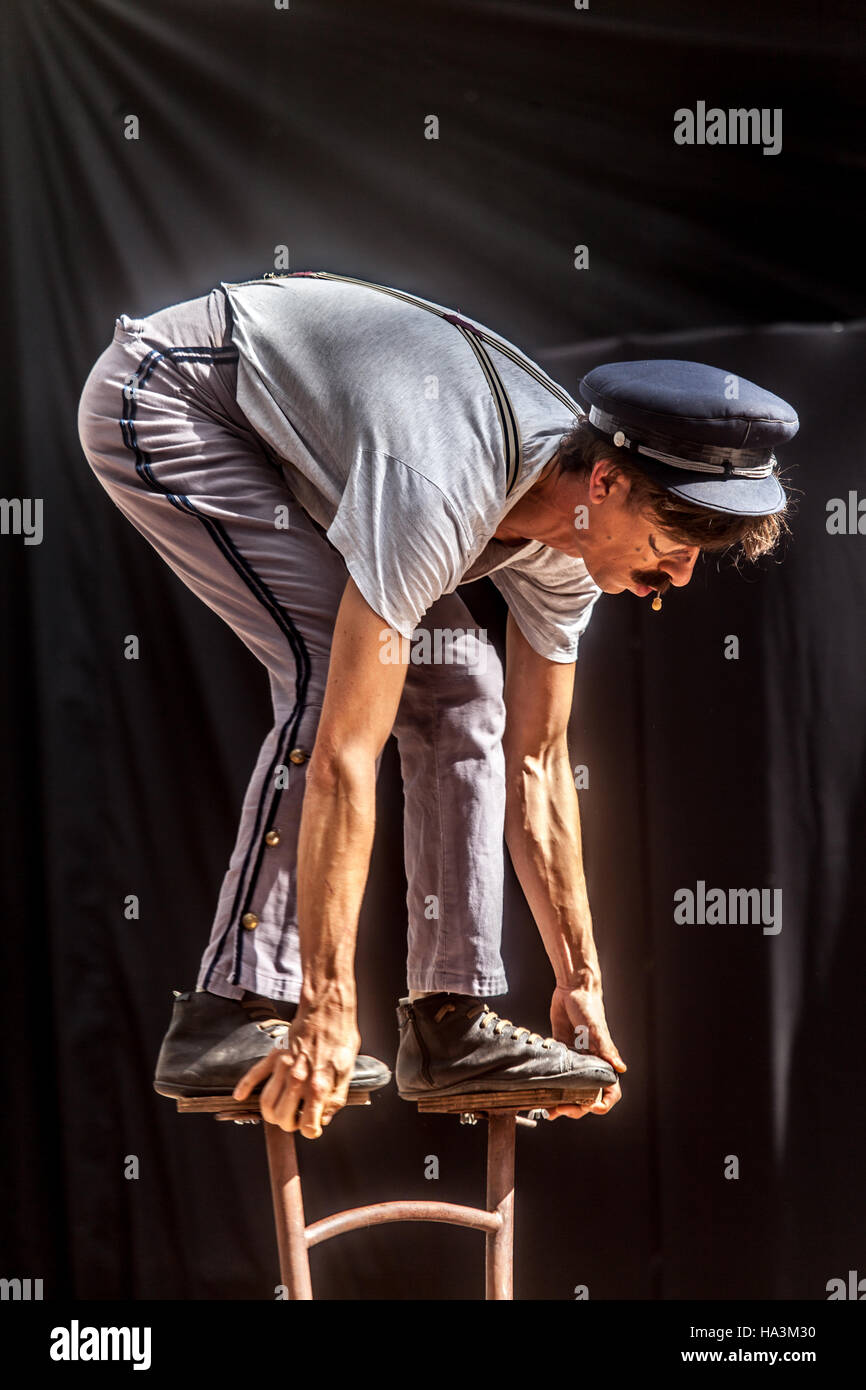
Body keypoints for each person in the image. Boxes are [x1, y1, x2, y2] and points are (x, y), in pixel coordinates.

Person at [77, 270, 798, 1141]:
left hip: (306, 437)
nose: (678, 578)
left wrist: (581, 982)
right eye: (671, 544)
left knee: (460, 682)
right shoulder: (442, 484)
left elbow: (537, 764)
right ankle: (228, 1008)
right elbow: (347, 748)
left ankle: (449, 1021)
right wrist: (327, 1006)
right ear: (603, 484)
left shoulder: (571, 552)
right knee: (324, 669)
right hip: (175, 391)